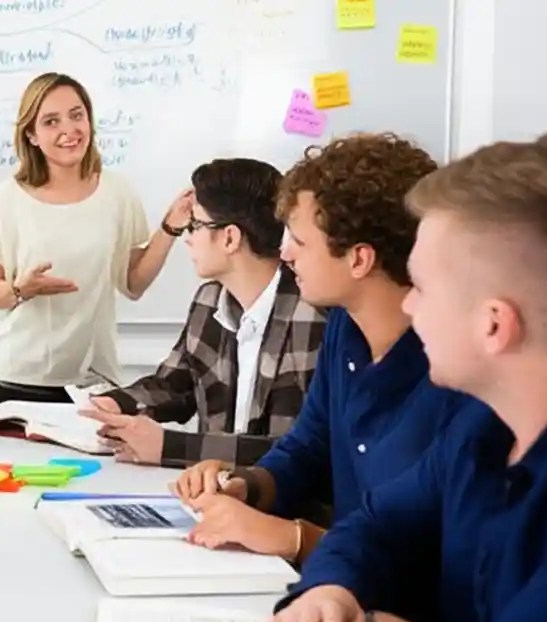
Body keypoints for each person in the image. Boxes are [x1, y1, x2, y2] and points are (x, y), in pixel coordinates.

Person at [266, 131, 547, 622]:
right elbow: (374, 525)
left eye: (422, 288)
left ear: (493, 325)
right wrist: (330, 593)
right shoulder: (486, 428)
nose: (406, 305)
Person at [173, 133, 467, 566]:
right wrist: (248, 486)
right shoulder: (346, 325)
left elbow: (429, 552)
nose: (285, 252)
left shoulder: (452, 368)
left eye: (300, 241)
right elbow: (308, 448)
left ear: (359, 259)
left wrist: (296, 538)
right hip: (340, 585)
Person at [80, 158, 326, 467]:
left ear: (230, 238)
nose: (188, 237)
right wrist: (115, 404)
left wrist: (171, 446)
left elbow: (293, 453)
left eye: (195, 225)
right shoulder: (210, 301)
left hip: (281, 507)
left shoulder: (312, 315)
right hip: (212, 495)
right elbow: (175, 385)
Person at [0, 71, 180, 406]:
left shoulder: (117, 192)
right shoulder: (7, 199)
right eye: (51, 121)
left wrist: (170, 228)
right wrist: (20, 289)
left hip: (95, 380)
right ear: (32, 135)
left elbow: (133, 284)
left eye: (76, 115)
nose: (69, 131)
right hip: (17, 379)